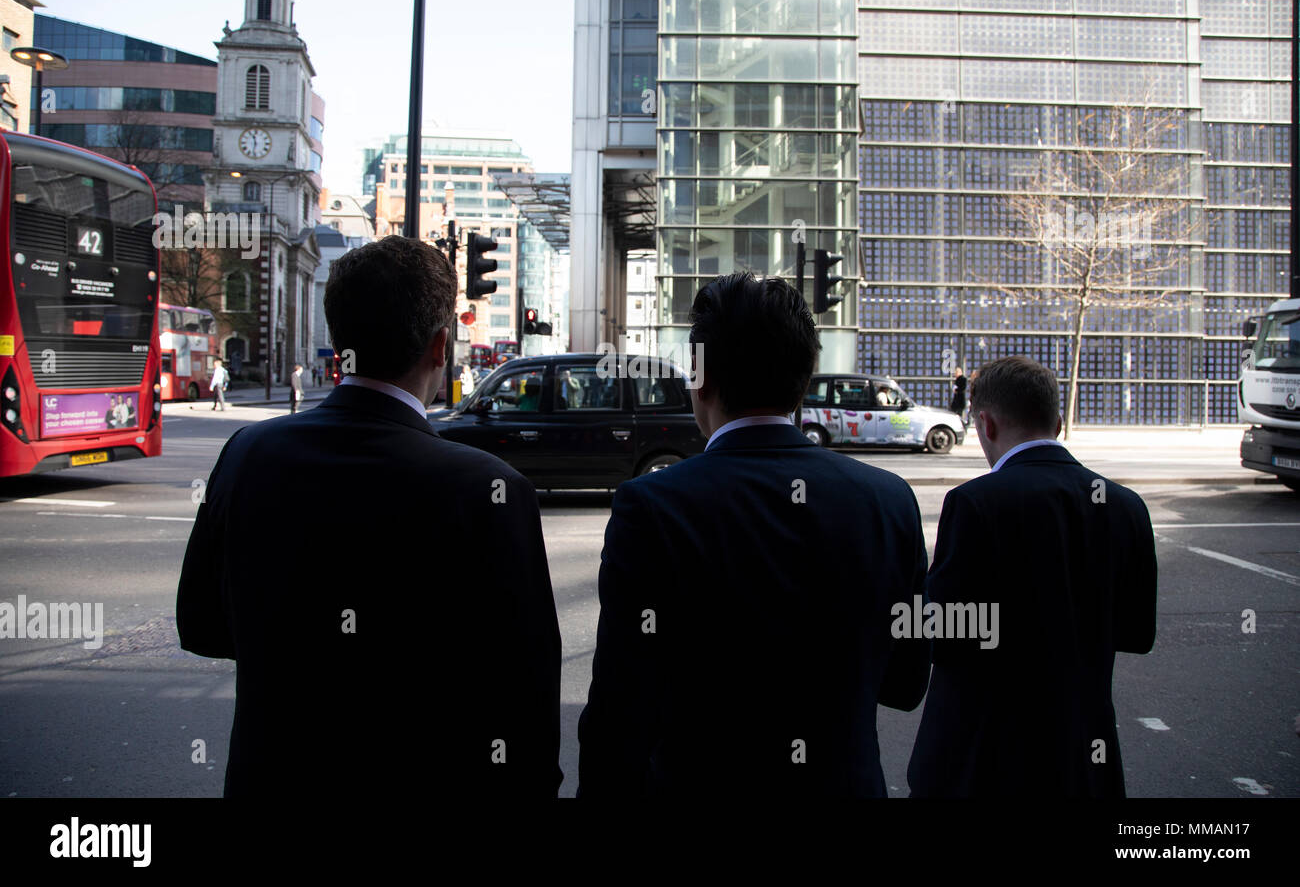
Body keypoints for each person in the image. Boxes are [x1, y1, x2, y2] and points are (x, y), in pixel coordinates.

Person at [177, 234, 563, 799]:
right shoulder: (490, 489)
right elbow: (522, 695)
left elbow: (203, 624)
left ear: (338, 340)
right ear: (440, 346)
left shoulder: (247, 453)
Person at [577, 272, 930, 797]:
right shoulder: (888, 499)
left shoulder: (653, 506)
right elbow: (904, 685)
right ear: (805, 378)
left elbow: (621, 705)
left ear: (700, 380)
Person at [906, 356, 1157, 798]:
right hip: (1083, 758)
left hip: (985, 759)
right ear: (1058, 421)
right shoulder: (1127, 505)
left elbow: (943, 634)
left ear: (986, 423)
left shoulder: (975, 502)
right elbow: (1137, 633)